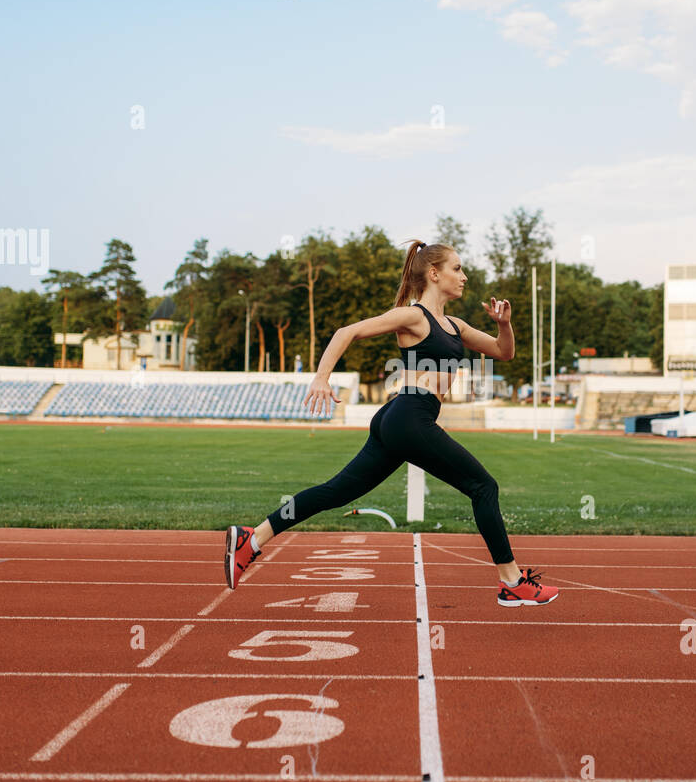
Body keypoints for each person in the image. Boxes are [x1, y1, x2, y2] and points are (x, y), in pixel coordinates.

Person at [224, 239, 558, 607]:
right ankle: (511, 581)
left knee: (336, 492)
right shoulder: (414, 316)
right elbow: (346, 332)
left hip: (400, 419)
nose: (464, 276)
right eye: (457, 268)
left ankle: (251, 539)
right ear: (434, 273)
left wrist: (504, 325)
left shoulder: (455, 325)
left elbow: (503, 352)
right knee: (483, 486)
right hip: (409, 417)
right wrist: (321, 377)